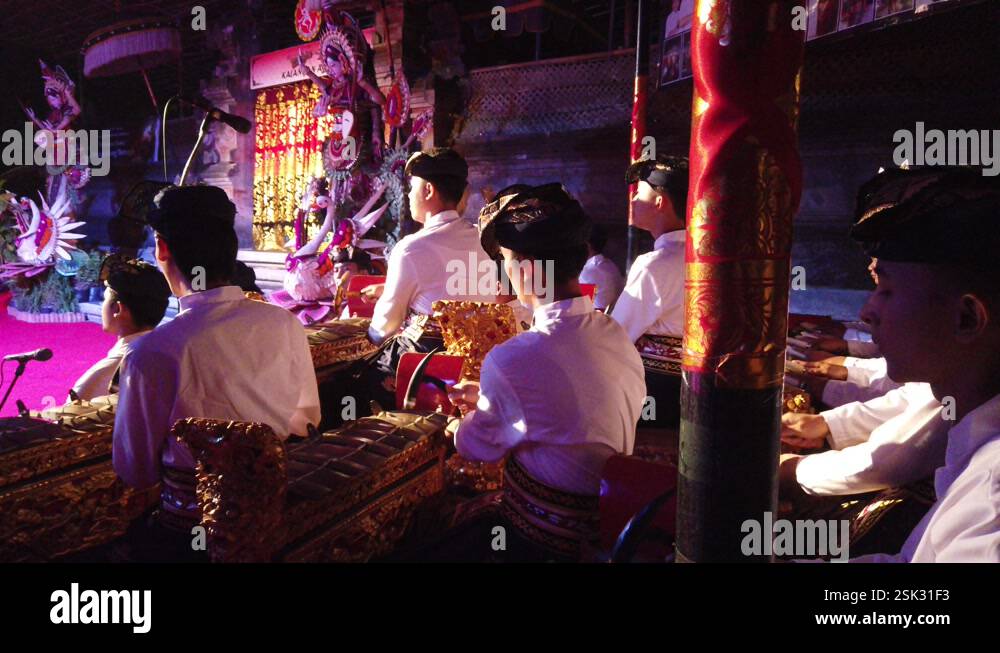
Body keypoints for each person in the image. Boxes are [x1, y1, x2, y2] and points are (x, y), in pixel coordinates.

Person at [113, 185, 321, 547]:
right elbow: (306, 421)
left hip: (189, 528)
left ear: (162, 248)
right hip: (272, 518)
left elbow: (136, 470)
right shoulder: (285, 323)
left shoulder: (152, 352)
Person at [449, 183, 646, 560]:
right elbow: (562, 408)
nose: (505, 271)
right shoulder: (613, 332)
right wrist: (493, 399)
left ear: (525, 269)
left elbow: (477, 447)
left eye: (505, 259)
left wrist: (460, 424)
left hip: (545, 539)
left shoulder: (514, 357)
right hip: (609, 521)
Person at [841, 166, 1000, 562]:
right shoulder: (976, 440)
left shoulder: (993, 490)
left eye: (888, 290)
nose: (866, 312)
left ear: (966, 318)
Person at [611, 155, 689, 426]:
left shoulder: (654, 265)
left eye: (638, 193)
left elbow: (617, 335)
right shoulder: (705, 259)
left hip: (657, 389)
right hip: (695, 387)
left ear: (660, 202)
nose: (632, 201)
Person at [70, 255, 170, 401]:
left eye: (105, 300)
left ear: (118, 309)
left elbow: (68, 416)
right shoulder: (172, 354)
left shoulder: (108, 371)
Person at [579, 222, 625, 312]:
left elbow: (581, 311)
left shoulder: (587, 272)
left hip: (598, 322)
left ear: (587, 246)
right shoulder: (610, 265)